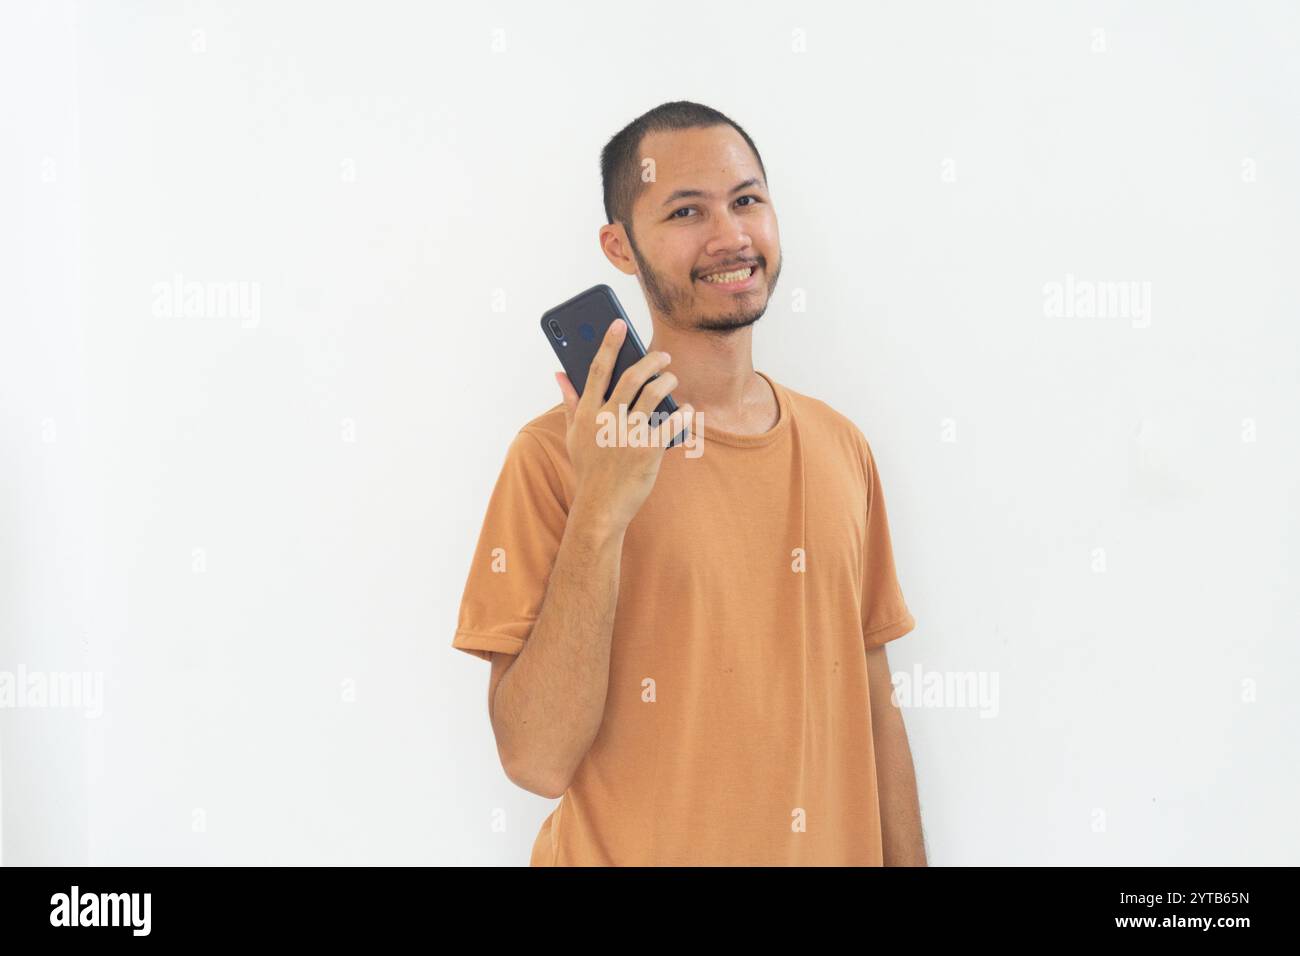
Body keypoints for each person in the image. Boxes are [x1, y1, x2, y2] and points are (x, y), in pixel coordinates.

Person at [453, 100, 925, 866]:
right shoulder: (552, 458)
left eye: (747, 200)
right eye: (685, 211)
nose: (730, 235)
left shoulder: (842, 448)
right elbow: (535, 761)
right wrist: (602, 507)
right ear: (620, 247)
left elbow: (877, 709)